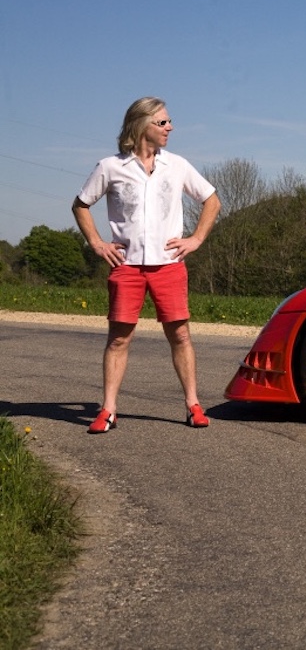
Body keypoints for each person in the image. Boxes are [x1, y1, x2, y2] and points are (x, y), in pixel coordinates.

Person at [72, 96, 222, 433]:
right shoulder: (110, 167)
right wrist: (97, 243)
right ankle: (108, 410)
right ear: (142, 126)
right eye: (163, 122)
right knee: (119, 339)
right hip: (127, 267)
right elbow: (81, 205)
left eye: (169, 122)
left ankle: (193, 405)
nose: (171, 128)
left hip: (169, 265)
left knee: (180, 335)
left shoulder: (177, 165)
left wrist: (195, 239)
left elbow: (212, 201)